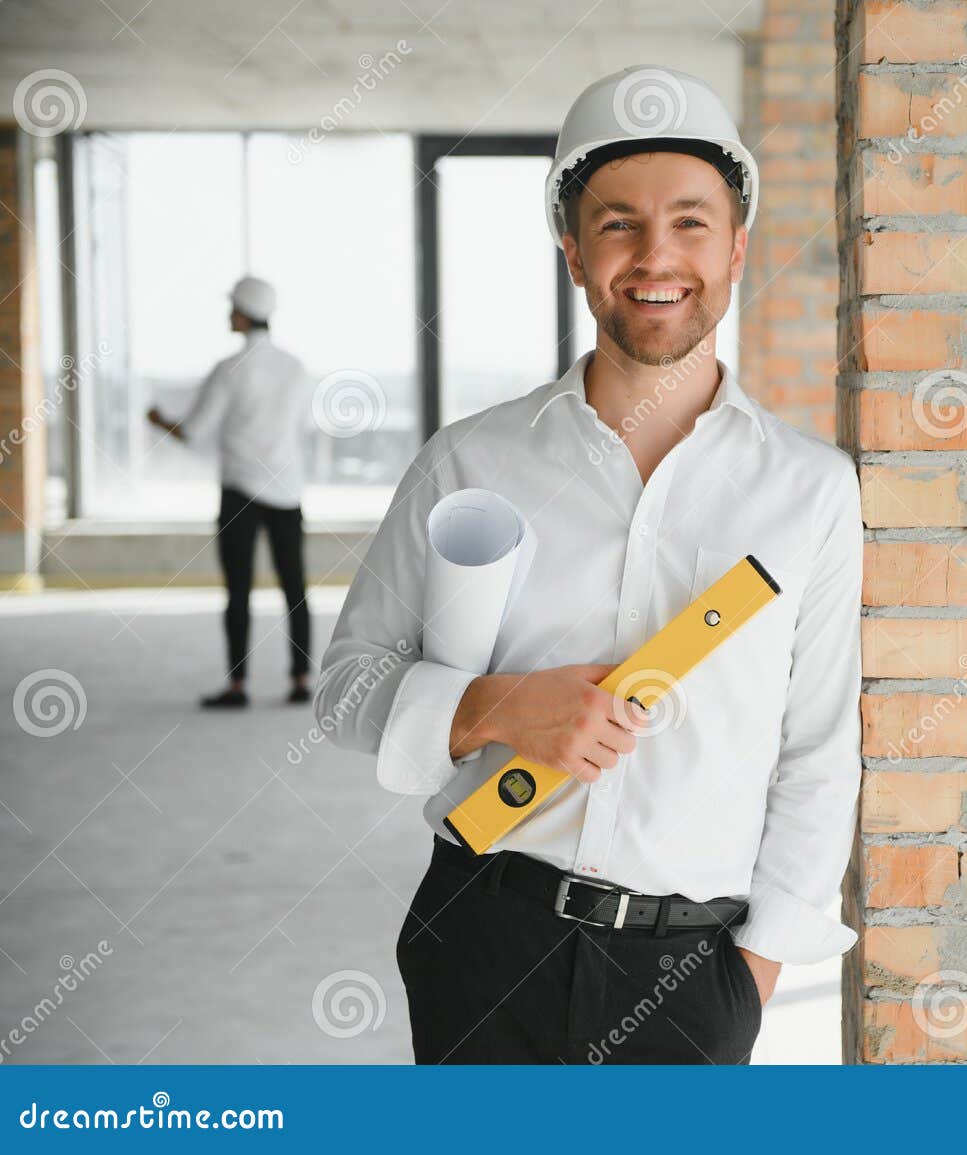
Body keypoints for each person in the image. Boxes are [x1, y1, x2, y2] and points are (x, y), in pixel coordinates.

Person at [315, 65, 863, 1065]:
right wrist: (495, 708)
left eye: (691, 223)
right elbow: (346, 693)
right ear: (572, 250)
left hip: (692, 972)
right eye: (617, 224)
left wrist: (754, 976)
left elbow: (819, 755)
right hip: (483, 933)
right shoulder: (468, 462)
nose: (656, 256)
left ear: (737, 249)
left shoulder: (811, 491)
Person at [147, 276, 315, 708]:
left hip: (240, 491)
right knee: (295, 588)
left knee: (238, 590)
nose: (228, 315)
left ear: (242, 313)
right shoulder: (295, 368)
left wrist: (159, 421)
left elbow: (197, 433)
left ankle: (238, 686)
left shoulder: (228, 369)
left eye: (231, 308)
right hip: (287, 491)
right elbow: (305, 429)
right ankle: (300, 681)